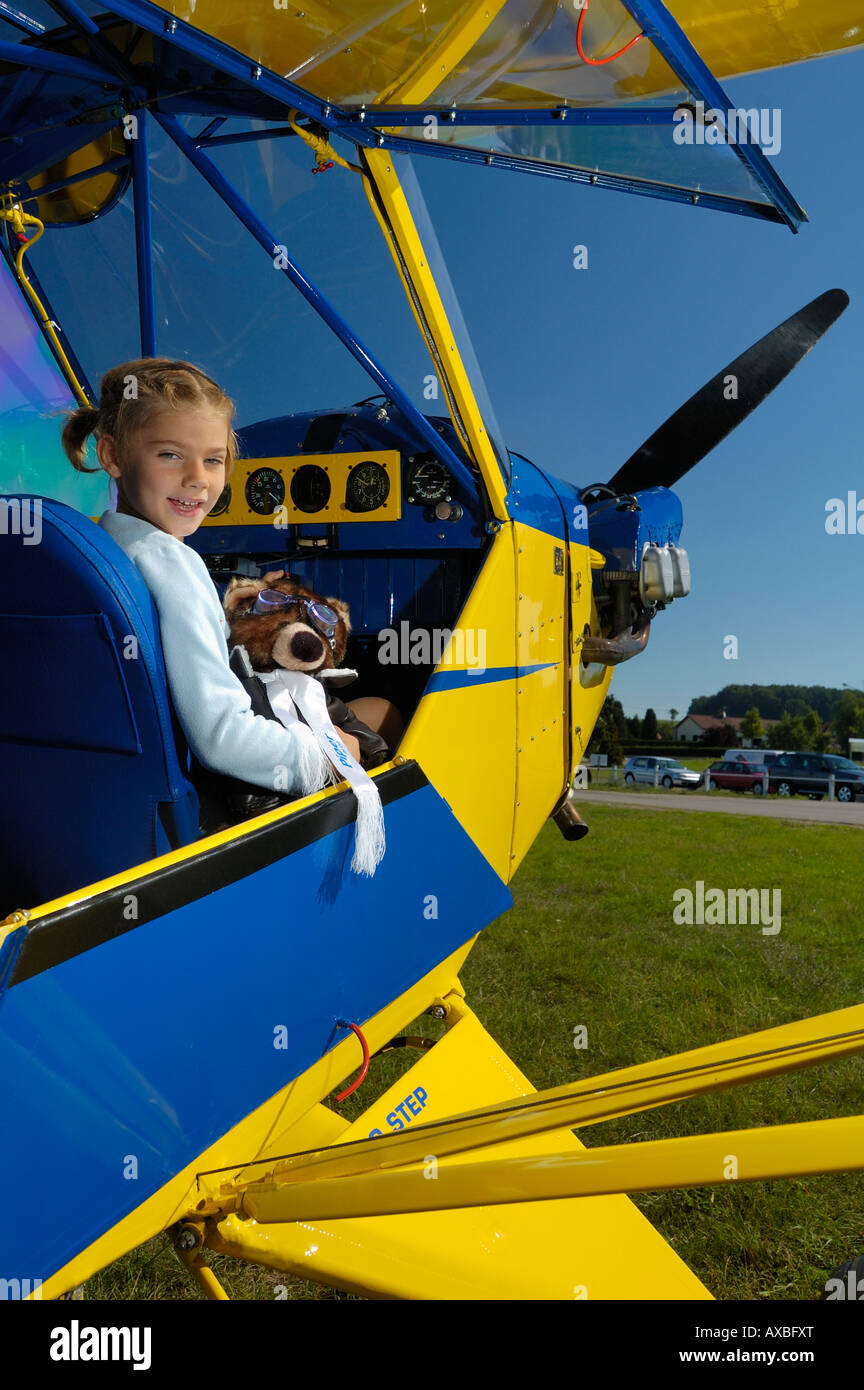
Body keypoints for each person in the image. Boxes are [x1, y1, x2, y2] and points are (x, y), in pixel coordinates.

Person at [62, 356, 366, 806]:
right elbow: (221, 735)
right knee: (384, 714)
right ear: (112, 455)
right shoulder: (174, 565)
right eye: (170, 455)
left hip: (101, 793)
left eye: (213, 460)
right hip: (209, 799)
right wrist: (325, 758)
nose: (197, 480)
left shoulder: (92, 549)